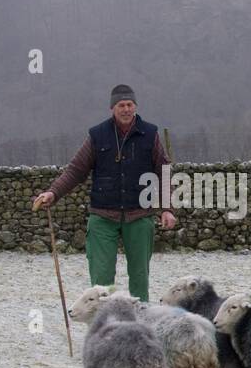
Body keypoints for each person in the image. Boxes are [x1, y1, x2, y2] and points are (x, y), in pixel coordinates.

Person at [33, 84, 176, 302]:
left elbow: (164, 172)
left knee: (139, 278)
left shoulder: (150, 134)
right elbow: (76, 170)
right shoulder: (97, 135)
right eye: (121, 105)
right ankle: (104, 327)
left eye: (130, 105)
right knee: (101, 281)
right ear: (112, 108)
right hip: (102, 217)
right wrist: (53, 193)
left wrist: (167, 209)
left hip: (140, 215)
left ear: (135, 106)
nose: (126, 109)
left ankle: (138, 329)